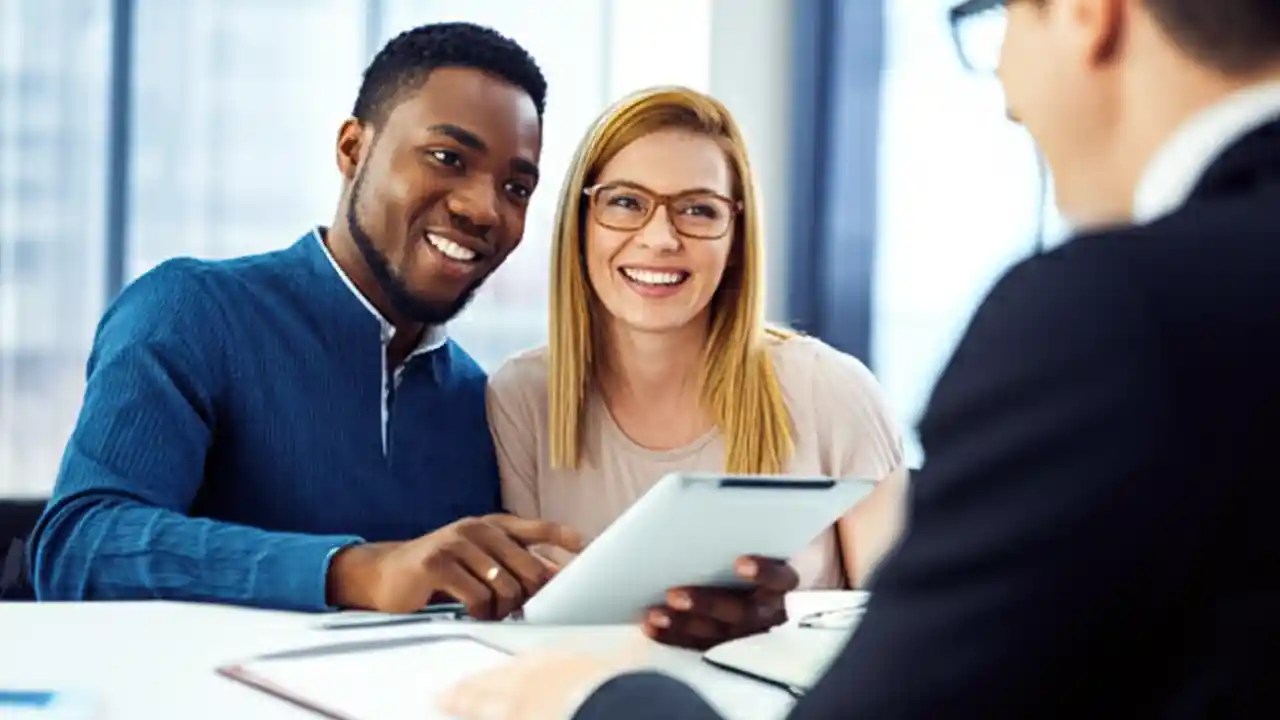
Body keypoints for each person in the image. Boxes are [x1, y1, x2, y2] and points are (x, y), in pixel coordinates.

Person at [439, 0, 1280, 717]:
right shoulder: (517, 394)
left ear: (1090, 15)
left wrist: (600, 693)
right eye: (625, 203)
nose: (1008, 97)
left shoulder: (1110, 314)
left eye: (995, 18)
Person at [27, 22, 585, 620]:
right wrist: (355, 570)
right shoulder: (191, 310)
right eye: (447, 158)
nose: (484, 208)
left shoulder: (478, 402)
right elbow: (78, 550)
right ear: (353, 149)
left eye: (516, 187)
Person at [484, 86, 909, 649]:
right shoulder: (523, 397)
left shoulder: (830, 390)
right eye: (626, 202)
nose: (660, 238)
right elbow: (533, 633)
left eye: (698, 210)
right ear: (581, 220)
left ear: (735, 238)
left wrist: (784, 625)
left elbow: (907, 636)